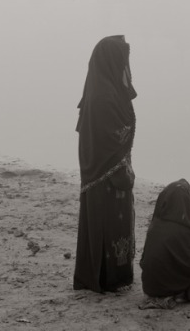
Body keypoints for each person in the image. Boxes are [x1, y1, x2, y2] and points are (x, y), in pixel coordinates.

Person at [73, 35, 137, 293]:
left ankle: (115, 276)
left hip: (111, 170)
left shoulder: (106, 90)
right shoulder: (102, 97)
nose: (126, 67)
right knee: (106, 222)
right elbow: (111, 135)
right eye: (122, 61)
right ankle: (104, 278)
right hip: (104, 173)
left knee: (114, 223)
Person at [138, 179, 190, 309]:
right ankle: (188, 291)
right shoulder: (184, 230)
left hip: (149, 286)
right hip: (168, 285)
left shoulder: (155, 225)